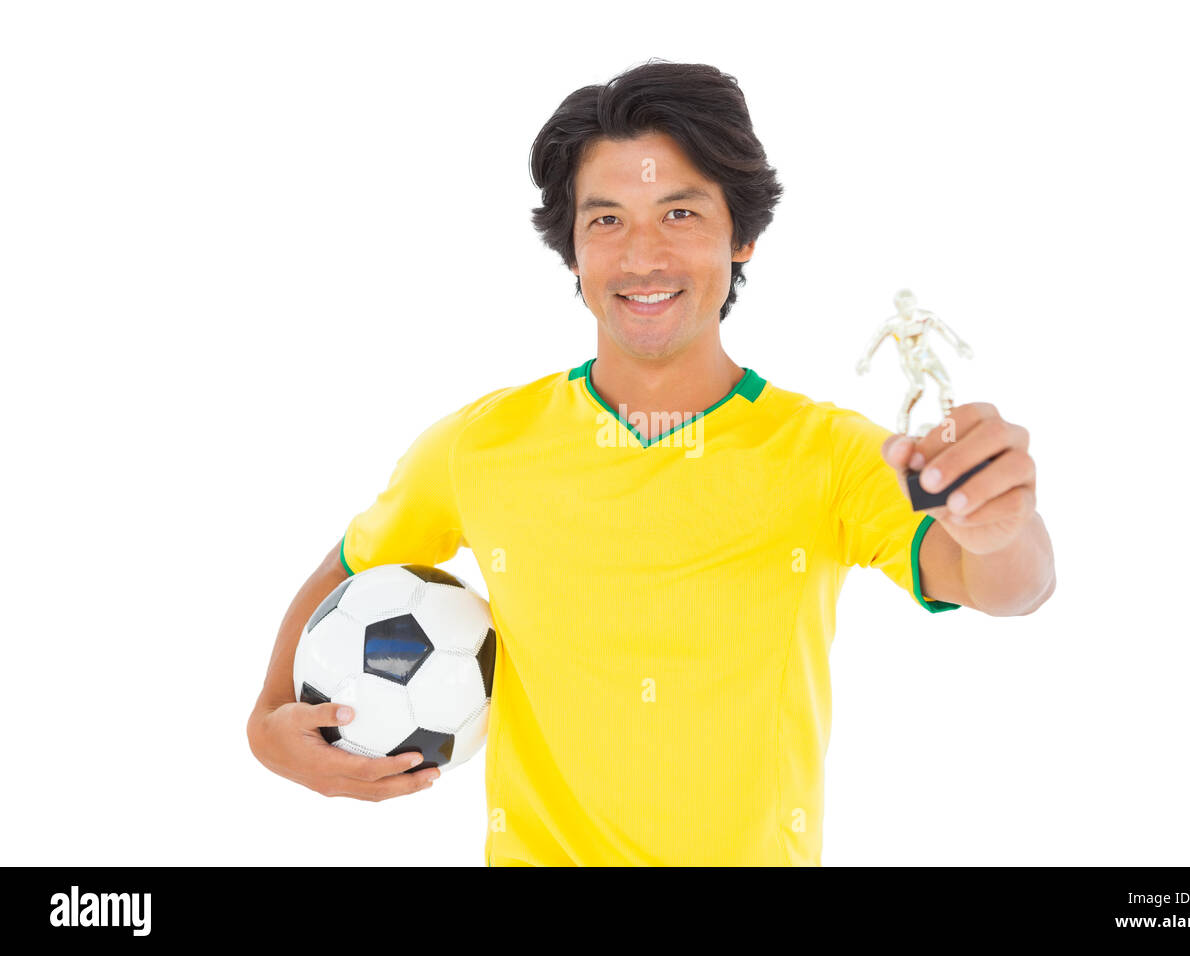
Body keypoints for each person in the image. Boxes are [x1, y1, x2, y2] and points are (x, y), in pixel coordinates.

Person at [247, 59, 1056, 866]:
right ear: (571, 250)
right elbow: (350, 565)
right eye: (606, 221)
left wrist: (1002, 528)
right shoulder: (477, 446)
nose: (642, 257)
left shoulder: (830, 453)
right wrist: (267, 723)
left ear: (741, 235)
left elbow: (1009, 585)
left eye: (679, 213)